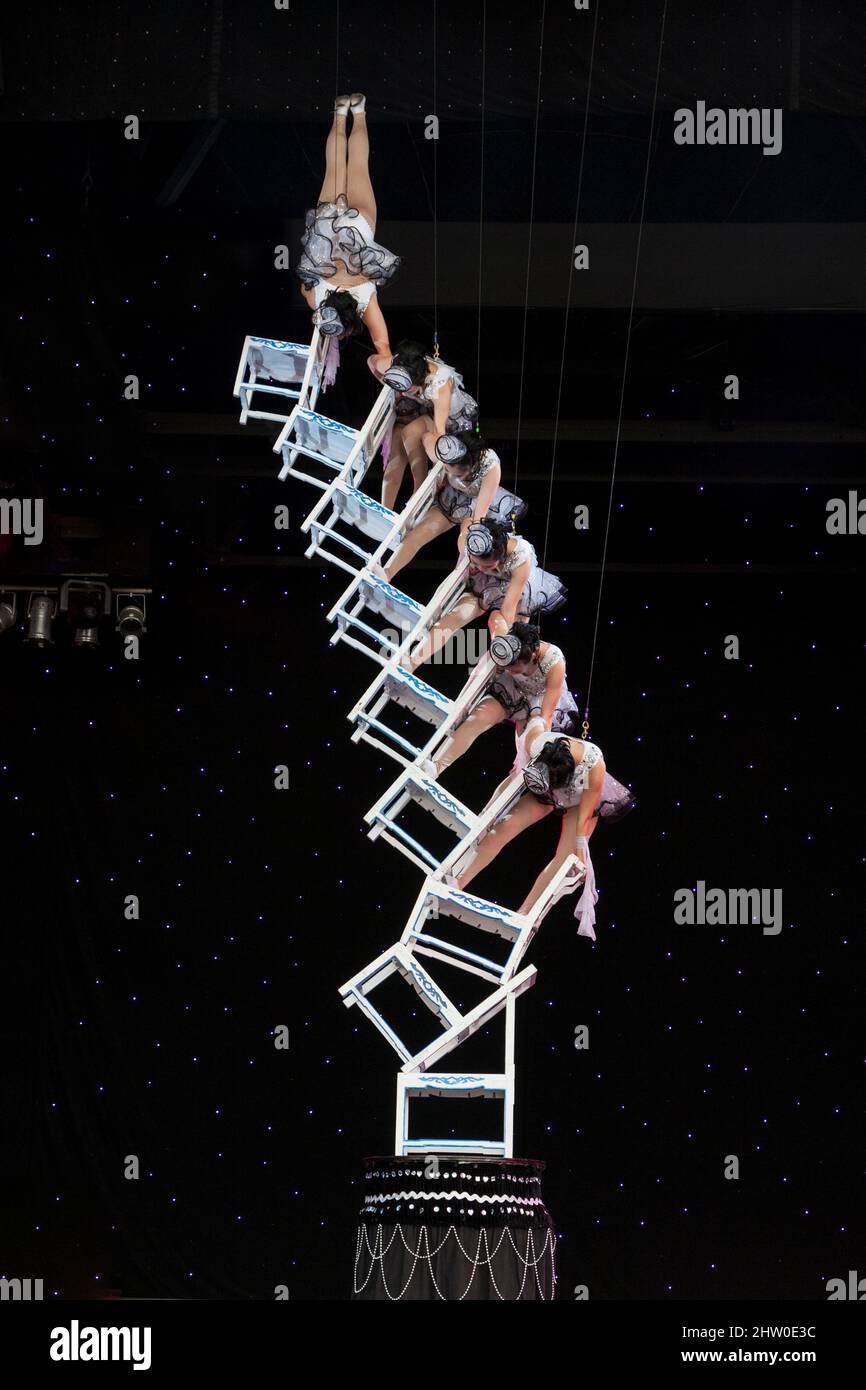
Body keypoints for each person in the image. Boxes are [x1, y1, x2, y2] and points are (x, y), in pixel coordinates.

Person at [449, 731, 635, 940]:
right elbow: (515, 777)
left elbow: (582, 822)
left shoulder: (595, 764)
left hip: (582, 798)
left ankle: (526, 914)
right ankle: (458, 882)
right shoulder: (541, 743)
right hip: (546, 788)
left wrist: (581, 857)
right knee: (504, 827)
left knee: (567, 859)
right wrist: (489, 813)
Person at [295, 94, 398, 375]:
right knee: (337, 167)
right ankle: (340, 112)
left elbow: (383, 348)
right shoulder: (316, 298)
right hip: (327, 228)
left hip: (357, 228)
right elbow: (305, 283)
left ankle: (360, 111)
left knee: (358, 167)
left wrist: (386, 372)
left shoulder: (365, 303)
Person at [422, 622, 576, 779]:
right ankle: (436, 767)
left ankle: (521, 781)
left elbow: (546, 716)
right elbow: (496, 619)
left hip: (538, 702)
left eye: (514, 668)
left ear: (534, 655)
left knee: (527, 750)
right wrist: (499, 665)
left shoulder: (555, 662)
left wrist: (543, 743)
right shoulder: (509, 643)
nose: (510, 669)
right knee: (480, 717)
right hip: (510, 689)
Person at [407, 519, 566, 670]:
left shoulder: (521, 557)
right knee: (456, 617)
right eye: (476, 563)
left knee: (509, 641)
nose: (480, 568)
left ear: (500, 557)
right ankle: (412, 662)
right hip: (483, 584)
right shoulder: (474, 541)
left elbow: (508, 608)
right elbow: (467, 522)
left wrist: (509, 637)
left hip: (515, 595)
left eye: (487, 565)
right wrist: (470, 561)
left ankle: (501, 666)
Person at [374, 431, 526, 581]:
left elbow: (478, 519)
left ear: (472, 467)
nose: (451, 474)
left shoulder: (491, 468)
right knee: (416, 535)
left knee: (430, 534)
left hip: (470, 506)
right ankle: (387, 573)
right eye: (447, 469)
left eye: (458, 475)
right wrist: (433, 478)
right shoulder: (446, 452)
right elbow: (425, 436)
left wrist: (470, 554)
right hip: (447, 493)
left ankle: (463, 570)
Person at [373, 342, 479, 510]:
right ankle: (416, 488)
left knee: (416, 436)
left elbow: (440, 432)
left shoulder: (440, 384)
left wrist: (442, 467)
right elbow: (372, 362)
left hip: (453, 422)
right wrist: (393, 388)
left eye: (410, 390)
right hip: (427, 410)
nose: (405, 393)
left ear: (419, 379)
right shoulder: (398, 364)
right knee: (408, 433)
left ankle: (420, 490)